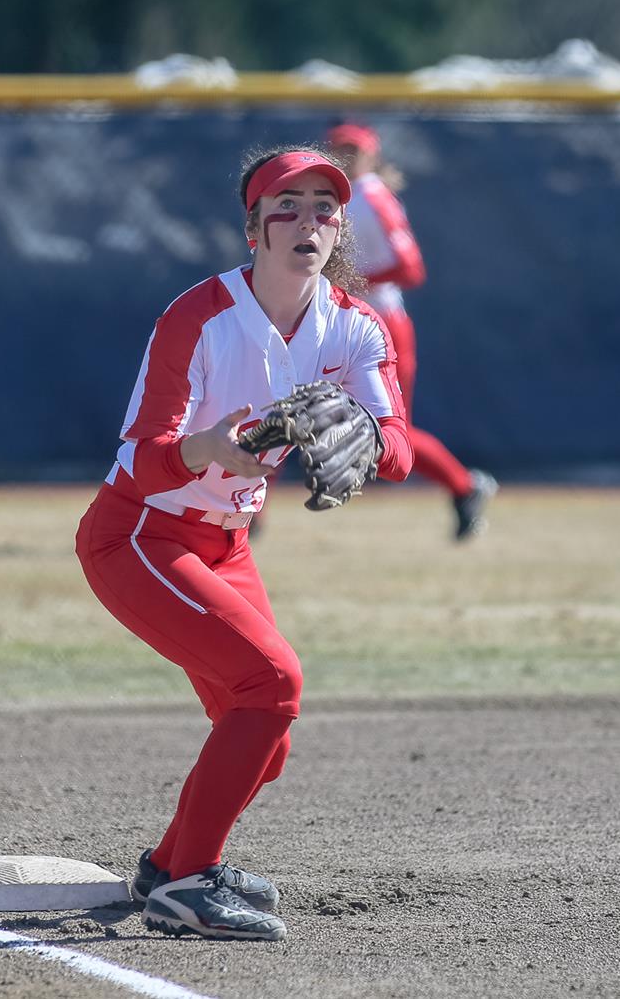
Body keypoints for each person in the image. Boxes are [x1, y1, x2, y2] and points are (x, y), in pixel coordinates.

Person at [75, 146, 413, 940]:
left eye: (324, 207)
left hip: (225, 543)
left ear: (340, 230)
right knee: (273, 683)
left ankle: (168, 866)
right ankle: (187, 888)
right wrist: (208, 449)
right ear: (253, 227)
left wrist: (363, 426)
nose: (307, 221)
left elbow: (397, 450)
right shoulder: (199, 317)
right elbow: (139, 460)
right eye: (286, 206)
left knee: (268, 739)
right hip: (140, 535)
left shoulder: (355, 325)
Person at [326, 122, 498, 540]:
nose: (347, 157)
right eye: (339, 149)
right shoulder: (332, 197)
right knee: (290, 403)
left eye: (355, 149)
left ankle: (465, 486)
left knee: (389, 433)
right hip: (336, 320)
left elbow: (411, 268)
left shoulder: (370, 195)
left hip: (380, 324)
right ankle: (252, 514)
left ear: (371, 155)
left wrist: (349, 280)